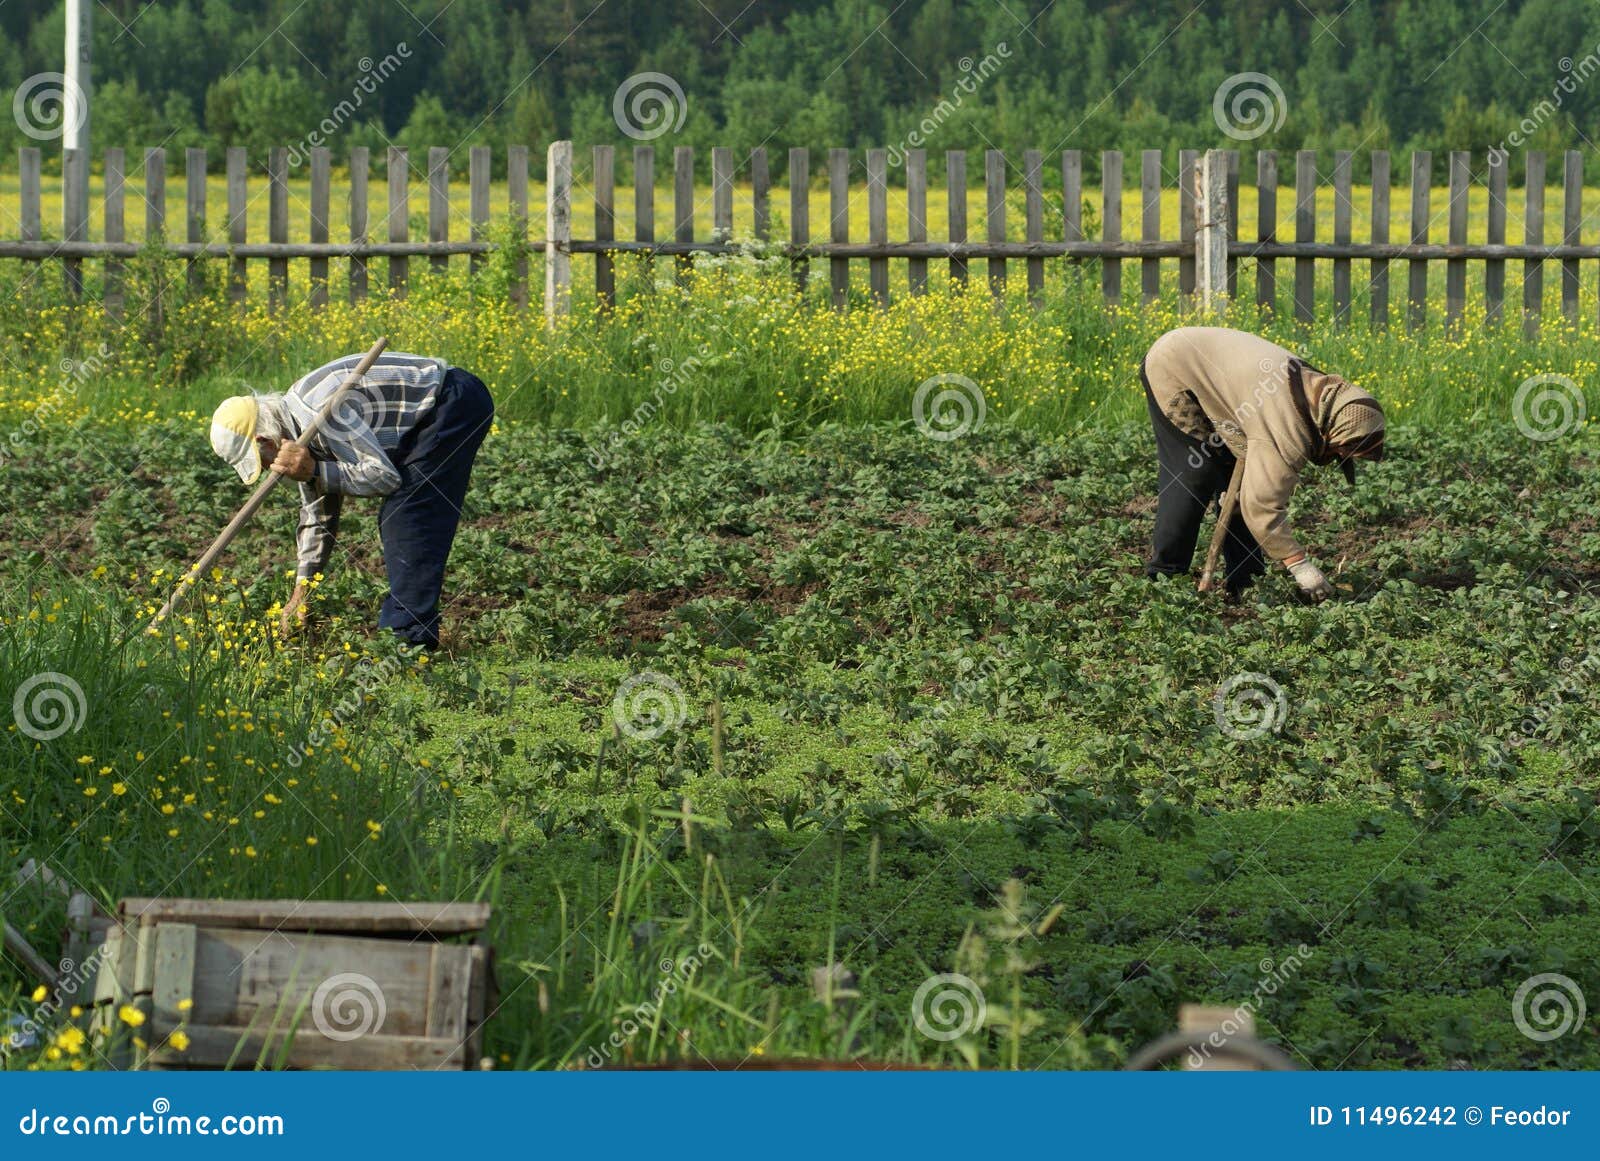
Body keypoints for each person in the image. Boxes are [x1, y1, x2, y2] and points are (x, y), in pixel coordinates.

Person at [208, 352, 494, 648]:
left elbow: (384, 477)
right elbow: (318, 514)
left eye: (262, 462)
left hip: (453, 402)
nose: (269, 470)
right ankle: (409, 635)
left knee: (407, 516)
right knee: (404, 512)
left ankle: (407, 644)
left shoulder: (324, 412)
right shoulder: (298, 432)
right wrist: (302, 591)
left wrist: (317, 471)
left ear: (264, 442)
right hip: (428, 415)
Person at [1141, 326, 1385, 602]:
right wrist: (1299, 565)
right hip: (1175, 366)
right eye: (1337, 453)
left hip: (1223, 380)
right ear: (1333, 432)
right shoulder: (1288, 429)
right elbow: (1261, 507)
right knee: (1195, 472)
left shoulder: (1321, 396)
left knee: (1242, 481)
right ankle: (1165, 577)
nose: (1332, 460)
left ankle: (1245, 580)